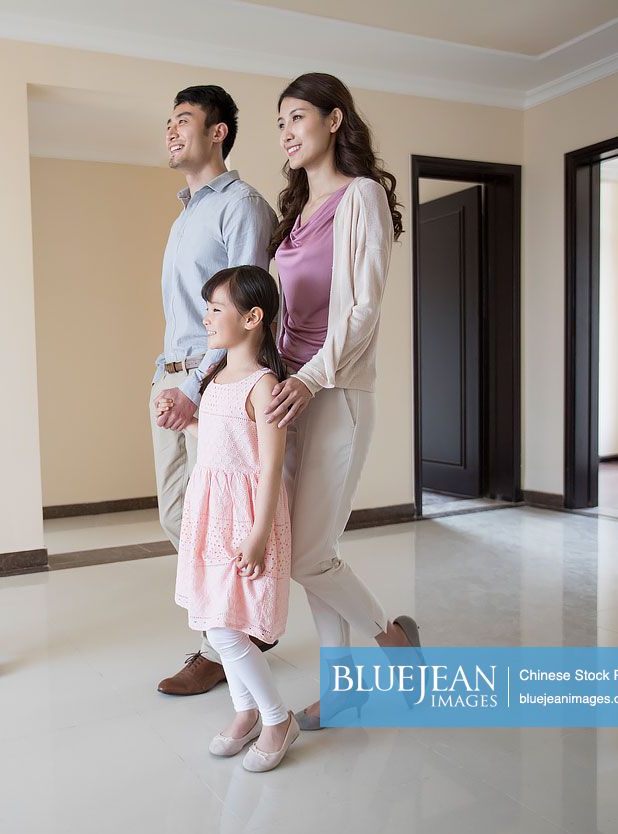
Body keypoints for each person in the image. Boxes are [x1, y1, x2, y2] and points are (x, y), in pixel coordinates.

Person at [264, 73, 420, 729]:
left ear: (333, 120)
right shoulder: (294, 214)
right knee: (307, 551)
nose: (286, 133)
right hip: (289, 396)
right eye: (279, 123)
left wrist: (309, 377)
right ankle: (344, 689)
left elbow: (361, 312)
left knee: (307, 553)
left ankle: (391, 640)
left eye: (296, 117)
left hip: (335, 395)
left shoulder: (359, 198)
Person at [152, 85, 278, 697]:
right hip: (172, 374)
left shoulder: (242, 207)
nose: (171, 131)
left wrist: (200, 389)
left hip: (214, 384)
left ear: (219, 131)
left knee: (217, 519)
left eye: (183, 121)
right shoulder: (186, 213)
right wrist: (171, 379)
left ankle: (222, 643)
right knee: (177, 516)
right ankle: (239, 628)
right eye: (168, 123)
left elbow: (247, 307)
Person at [174, 265, 298, 772]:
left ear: (252, 317)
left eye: (216, 308)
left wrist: (259, 533)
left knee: (227, 627)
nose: (206, 317)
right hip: (212, 512)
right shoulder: (219, 376)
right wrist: (187, 416)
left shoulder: (265, 385)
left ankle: (276, 718)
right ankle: (244, 711)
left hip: (246, 519)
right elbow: (223, 437)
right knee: (212, 615)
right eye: (206, 307)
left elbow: (271, 464)